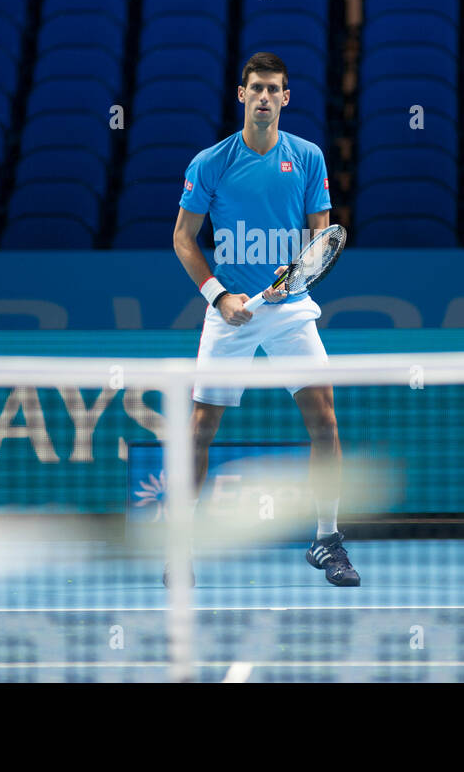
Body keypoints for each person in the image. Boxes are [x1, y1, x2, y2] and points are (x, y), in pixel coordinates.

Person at [172, 52, 359, 587]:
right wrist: (219, 297)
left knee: (324, 420)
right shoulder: (211, 162)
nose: (264, 97)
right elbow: (183, 238)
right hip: (231, 312)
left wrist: (297, 270)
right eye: (256, 87)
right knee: (201, 428)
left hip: (289, 309)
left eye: (273, 89)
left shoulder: (308, 158)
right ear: (241, 94)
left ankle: (326, 540)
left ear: (285, 98)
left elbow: (321, 240)